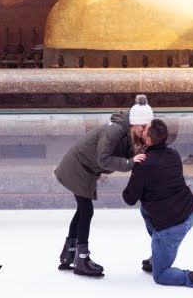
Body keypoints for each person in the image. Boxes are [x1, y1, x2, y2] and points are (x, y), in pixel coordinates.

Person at [123, 118, 193, 288]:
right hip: (188, 213)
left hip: (171, 226)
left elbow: (129, 198)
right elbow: (160, 181)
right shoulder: (173, 154)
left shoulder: (144, 165)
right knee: (145, 208)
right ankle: (157, 254)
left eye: (145, 129)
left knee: (161, 275)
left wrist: (134, 169)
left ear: (148, 140)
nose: (142, 128)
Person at [55, 94, 155, 277]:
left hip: (85, 169)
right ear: (135, 124)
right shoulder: (116, 130)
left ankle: (69, 255)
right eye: (143, 127)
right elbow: (104, 159)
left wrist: (136, 151)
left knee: (81, 211)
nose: (145, 131)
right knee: (86, 211)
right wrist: (130, 162)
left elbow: (121, 152)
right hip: (78, 167)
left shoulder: (129, 131)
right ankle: (81, 259)